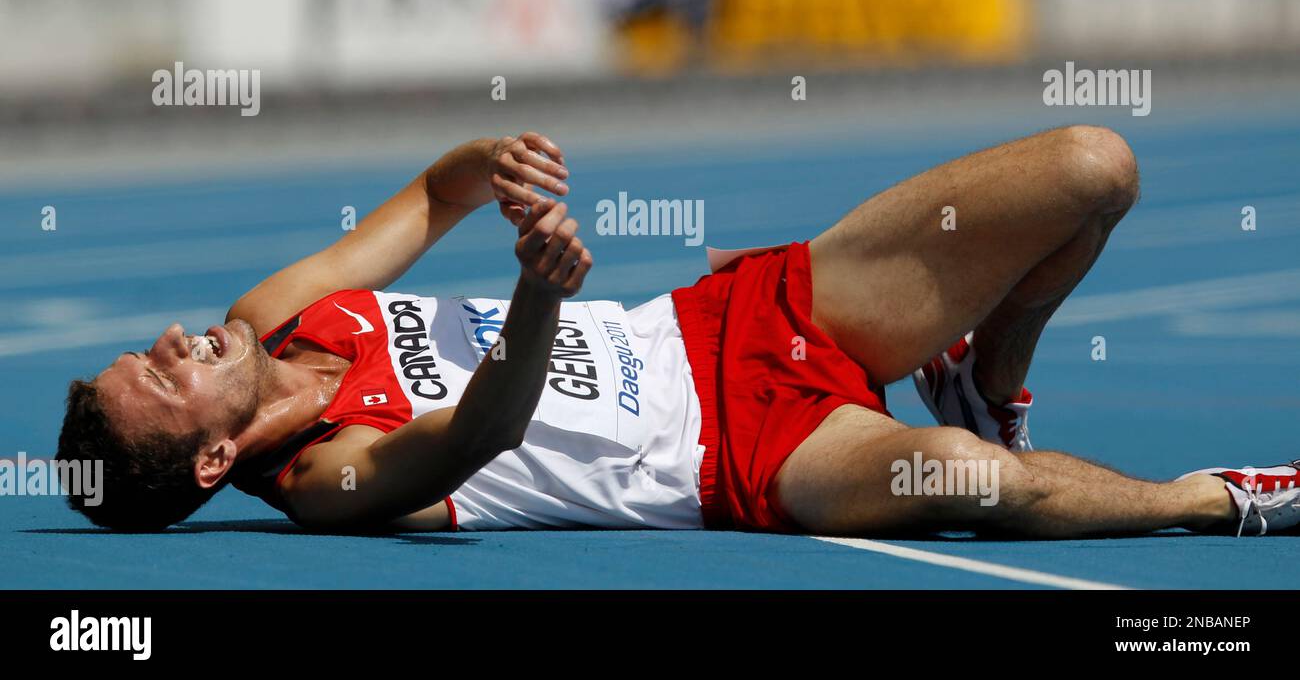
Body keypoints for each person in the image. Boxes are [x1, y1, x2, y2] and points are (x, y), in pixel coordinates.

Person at [57, 128, 1299, 537]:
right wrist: (540, 289)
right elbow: (484, 431)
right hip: (736, 458)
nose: (175, 341)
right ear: (214, 462)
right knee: (976, 484)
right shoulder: (321, 475)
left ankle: (989, 377)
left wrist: (480, 163)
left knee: (1094, 167)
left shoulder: (270, 313)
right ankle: (1209, 500)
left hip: (735, 315)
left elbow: (431, 203)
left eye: (147, 344)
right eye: (160, 380)